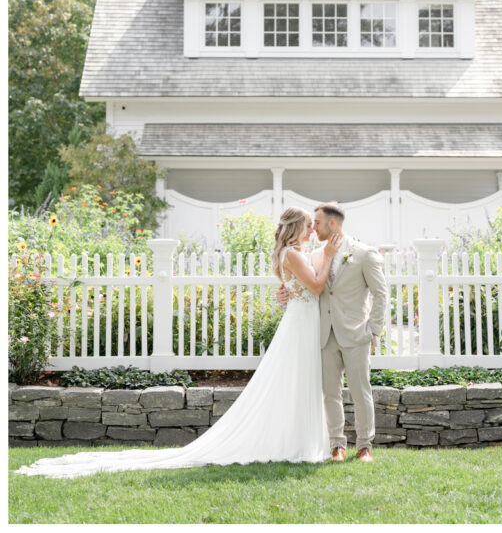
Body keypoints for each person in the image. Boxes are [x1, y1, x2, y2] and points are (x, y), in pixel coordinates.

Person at [15, 208, 338, 478]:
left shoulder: (290, 253)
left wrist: (311, 270)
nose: (312, 230)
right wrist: (329, 257)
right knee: (296, 379)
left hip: (300, 319)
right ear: (296, 227)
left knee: (296, 381)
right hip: (300, 321)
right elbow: (316, 287)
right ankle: (295, 442)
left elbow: (293, 289)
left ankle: (296, 439)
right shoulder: (294, 254)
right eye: (309, 226)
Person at [275, 201, 388, 462]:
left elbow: (381, 294)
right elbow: (306, 284)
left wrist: (373, 330)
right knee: (330, 393)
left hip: (356, 333)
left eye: (316, 223)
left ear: (332, 223)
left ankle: (364, 446)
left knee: (361, 391)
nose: (312, 228)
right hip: (323, 333)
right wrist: (285, 294)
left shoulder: (363, 253)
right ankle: (337, 445)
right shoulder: (314, 255)